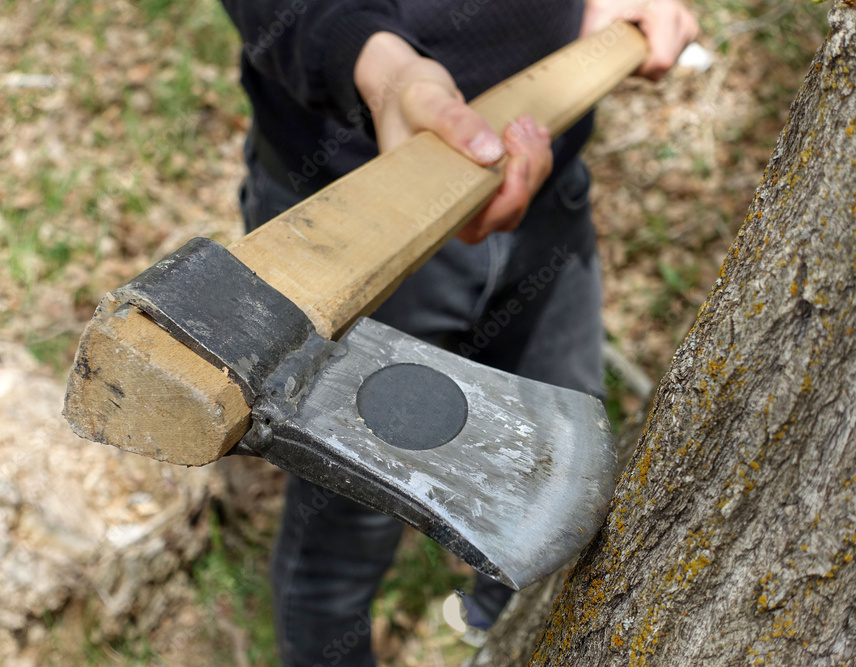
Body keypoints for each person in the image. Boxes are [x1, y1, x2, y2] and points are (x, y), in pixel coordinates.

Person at [218, 1, 698, 665]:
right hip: (355, 223)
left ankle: (496, 632)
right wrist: (382, 69)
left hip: (546, 187)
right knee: (348, 522)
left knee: (556, 472)